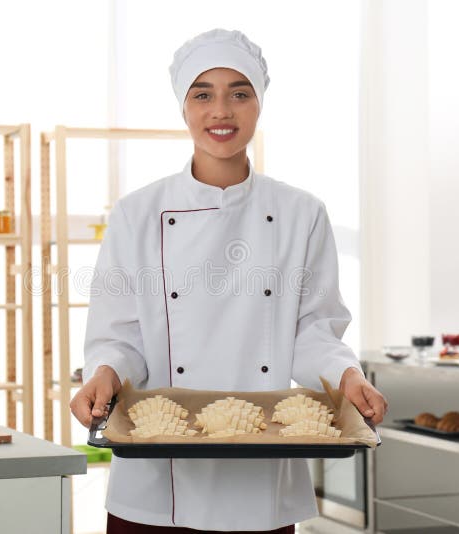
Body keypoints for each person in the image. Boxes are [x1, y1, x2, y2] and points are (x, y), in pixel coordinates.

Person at [70, 28, 387, 533]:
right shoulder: (136, 213)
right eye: (203, 94)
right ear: (183, 107)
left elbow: (313, 330)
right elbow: (121, 333)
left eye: (239, 93)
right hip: (158, 479)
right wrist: (105, 373)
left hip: (259, 481)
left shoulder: (300, 213)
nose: (221, 110)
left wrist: (346, 375)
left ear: (259, 105)